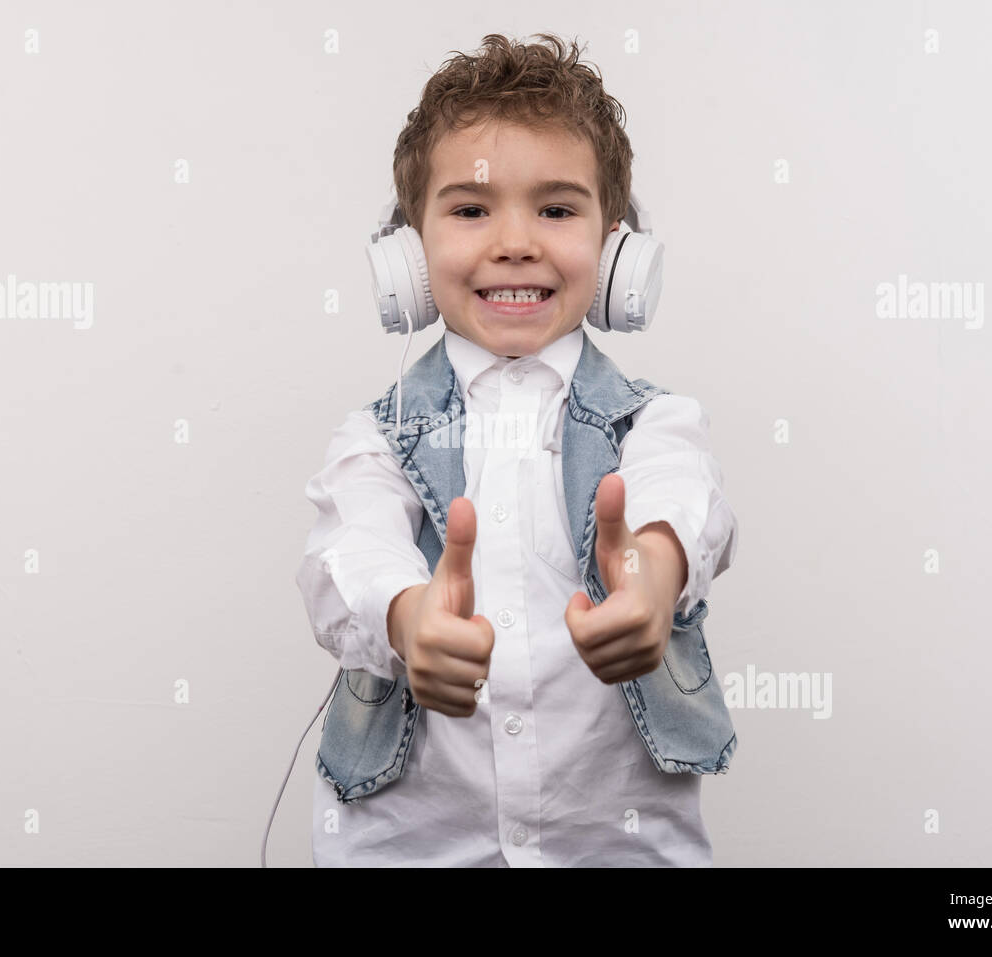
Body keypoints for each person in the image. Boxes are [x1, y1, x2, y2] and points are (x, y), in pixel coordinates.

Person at [294, 33, 739, 866]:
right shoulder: (376, 437)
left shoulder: (656, 423)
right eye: (470, 209)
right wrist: (406, 614)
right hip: (406, 846)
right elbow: (346, 549)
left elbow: (682, 497)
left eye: (557, 209)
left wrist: (651, 572)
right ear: (408, 256)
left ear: (617, 252)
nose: (515, 242)